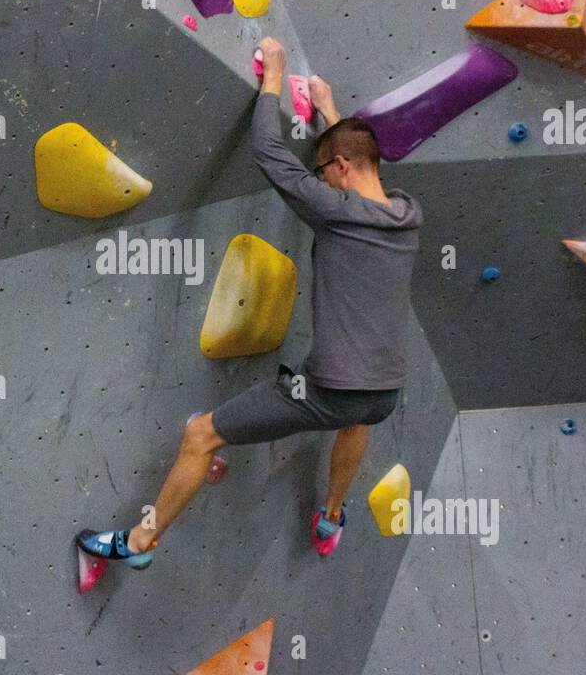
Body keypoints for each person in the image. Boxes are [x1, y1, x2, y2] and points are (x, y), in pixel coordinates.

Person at [77, 36, 422, 568]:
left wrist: (272, 79)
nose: (322, 179)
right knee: (359, 422)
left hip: (329, 388)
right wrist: (329, 111)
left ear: (339, 169)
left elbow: (270, 154)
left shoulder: (336, 209)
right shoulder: (407, 214)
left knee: (201, 434)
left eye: (326, 170)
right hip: (385, 391)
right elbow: (361, 167)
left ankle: (141, 543)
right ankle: (331, 516)